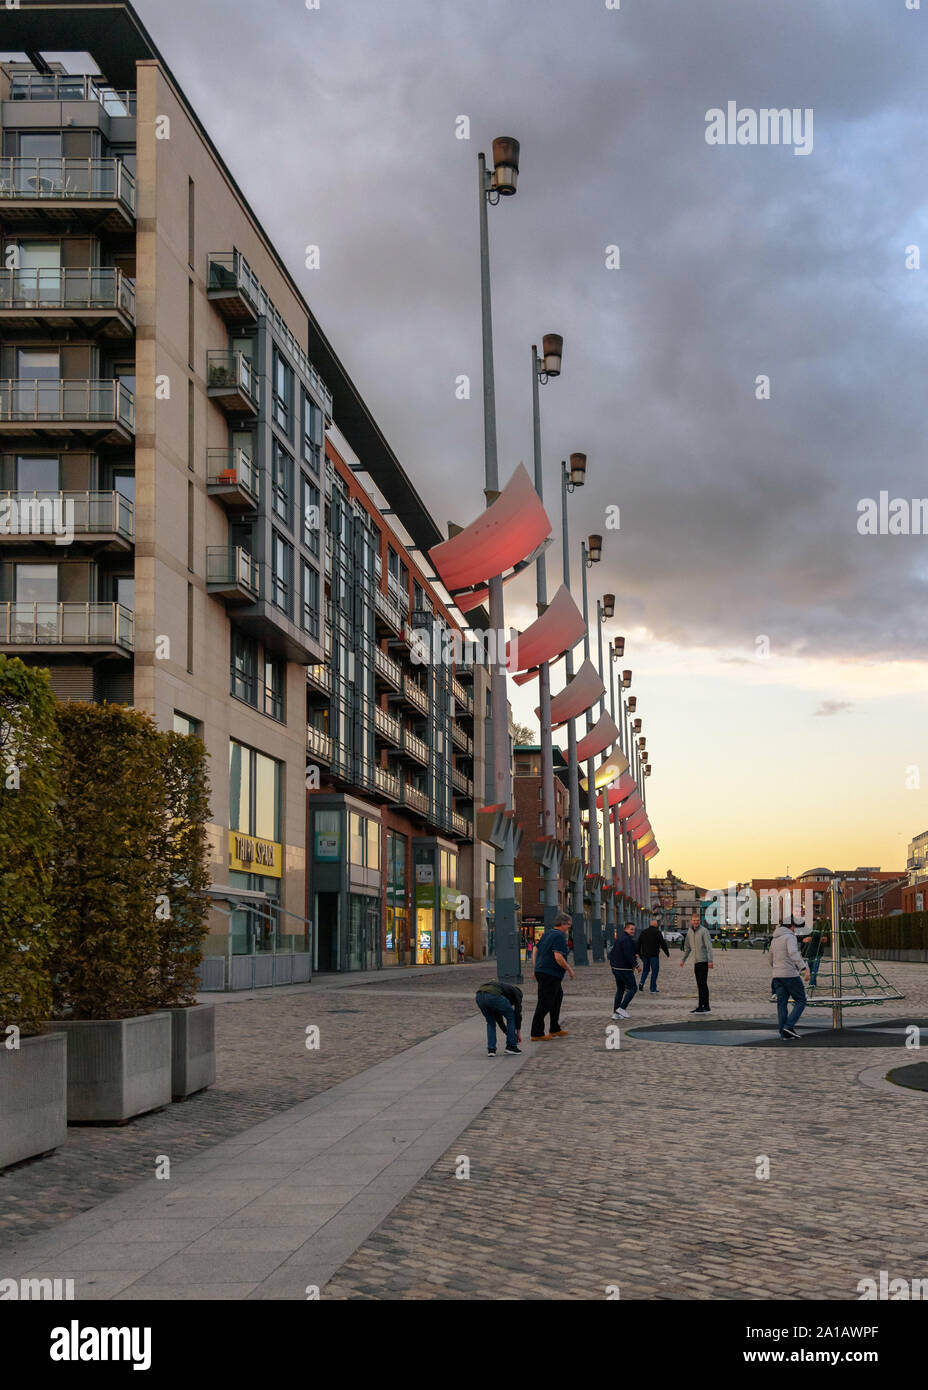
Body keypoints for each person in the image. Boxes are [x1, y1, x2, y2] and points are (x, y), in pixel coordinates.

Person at [530, 910, 574, 1040]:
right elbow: (558, 957)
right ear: (563, 924)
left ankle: (554, 1028)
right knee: (545, 1002)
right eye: (569, 925)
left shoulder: (548, 933)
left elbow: (534, 949)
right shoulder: (559, 936)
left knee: (557, 998)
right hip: (550, 973)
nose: (569, 928)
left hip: (543, 971)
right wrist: (570, 969)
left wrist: (536, 967)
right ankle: (536, 1033)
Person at [770, 915, 810, 1040]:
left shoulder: (774, 939)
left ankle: (784, 1032)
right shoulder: (790, 937)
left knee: (781, 1004)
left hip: (777, 975)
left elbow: (770, 958)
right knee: (801, 1000)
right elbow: (793, 953)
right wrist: (803, 969)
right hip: (790, 975)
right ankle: (789, 1026)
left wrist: (776, 967)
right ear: (792, 926)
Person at [475, 980, 523, 1056]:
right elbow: (517, 1014)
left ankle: (491, 1049)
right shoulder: (517, 993)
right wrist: (518, 1032)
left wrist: (508, 1033)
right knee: (511, 1016)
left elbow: (499, 1019)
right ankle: (511, 1046)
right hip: (492, 995)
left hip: (479, 996)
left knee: (490, 1023)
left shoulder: (503, 991)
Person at [680, 911, 714, 1012]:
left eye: (698, 920)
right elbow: (687, 948)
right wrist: (683, 960)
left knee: (703, 984)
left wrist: (710, 961)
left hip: (703, 961)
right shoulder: (690, 932)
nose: (696, 922)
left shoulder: (704, 931)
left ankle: (704, 1006)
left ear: (700, 921)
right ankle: (703, 1006)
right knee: (699, 984)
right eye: (694, 920)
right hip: (696, 962)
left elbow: (709, 947)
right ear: (691, 921)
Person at [609, 921, 641, 1018]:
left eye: (634, 930)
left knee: (620, 989)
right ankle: (622, 1008)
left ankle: (615, 1013)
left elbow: (612, 953)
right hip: (624, 969)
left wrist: (613, 965)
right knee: (633, 988)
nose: (633, 931)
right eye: (631, 929)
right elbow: (628, 955)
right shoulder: (627, 940)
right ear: (625, 929)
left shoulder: (620, 938)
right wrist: (636, 965)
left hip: (616, 968)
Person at [637, 916, 670, 994]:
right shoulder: (657, 932)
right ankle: (652, 988)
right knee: (654, 971)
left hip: (645, 955)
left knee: (646, 970)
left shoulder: (643, 932)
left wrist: (638, 953)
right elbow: (663, 943)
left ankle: (641, 982)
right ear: (656, 925)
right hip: (654, 955)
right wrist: (667, 953)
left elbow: (638, 943)